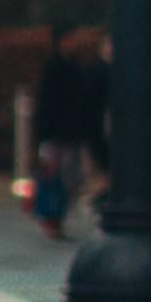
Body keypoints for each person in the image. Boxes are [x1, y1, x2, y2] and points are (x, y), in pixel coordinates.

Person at [29, 20, 106, 240]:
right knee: (57, 176)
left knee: (66, 177)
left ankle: (56, 217)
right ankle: (52, 218)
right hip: (58, 134)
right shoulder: (58, 66)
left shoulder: (69, 65)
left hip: (67, 133)